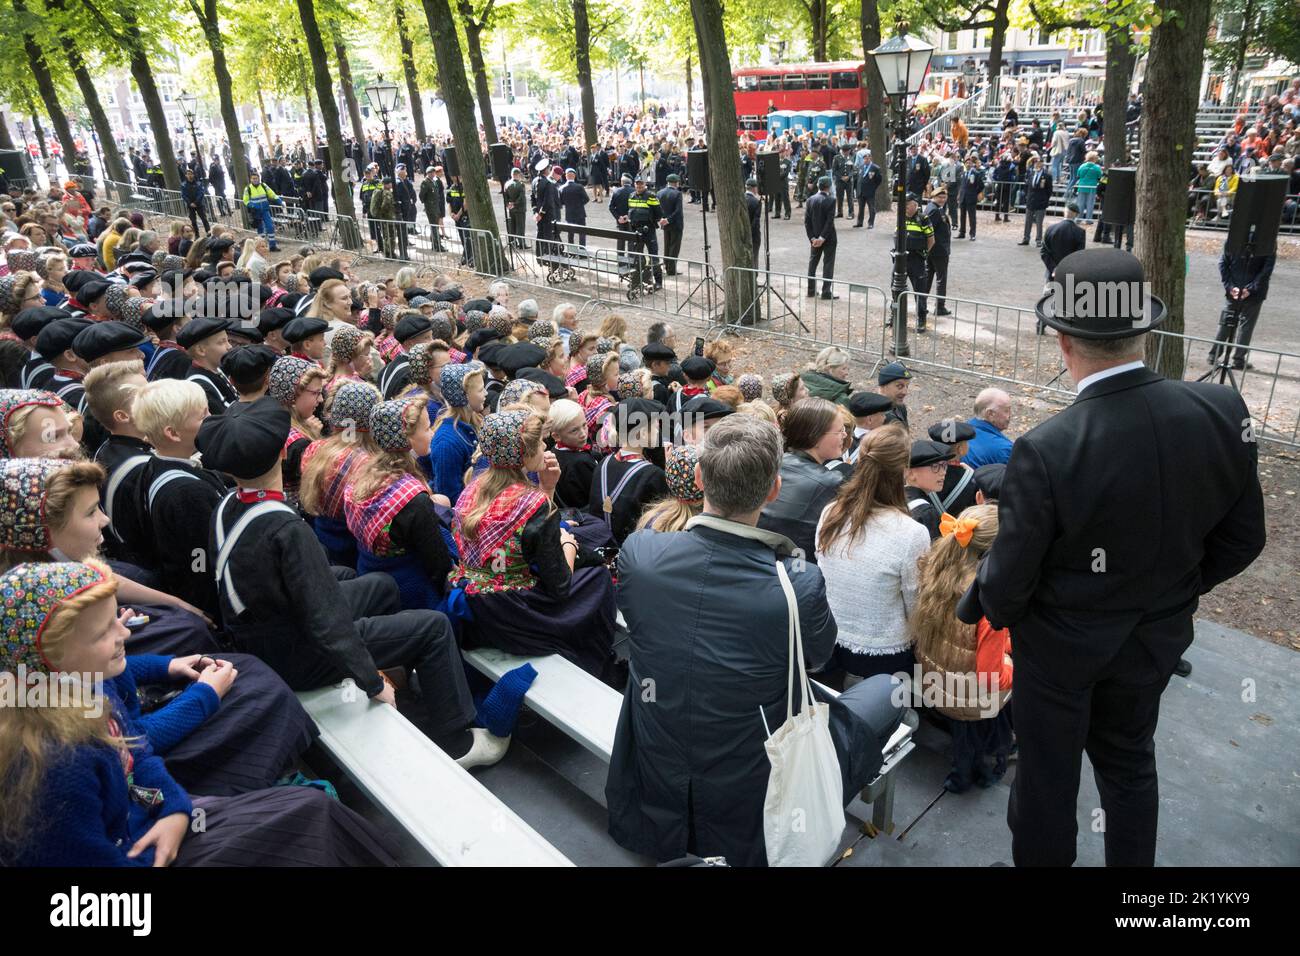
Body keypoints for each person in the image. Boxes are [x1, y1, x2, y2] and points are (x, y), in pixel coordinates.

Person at [959, 249, 1266, 867]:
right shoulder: (1222, 411)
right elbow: (1243, 539)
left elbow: (1009, 587)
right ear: (1143, 330)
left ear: (1063, 339)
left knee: (1046, 782)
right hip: (1156, 639)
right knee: (1130, 768)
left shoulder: (1047, 449)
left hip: (1060, 655)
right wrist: (1170, 590)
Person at [607, 414, 904, 866]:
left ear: (700, 478)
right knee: (890, 688)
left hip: (660, 736)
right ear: (773, 490)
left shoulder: (641, 553)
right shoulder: (798, 584)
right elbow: (817, 658)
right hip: (753, 759)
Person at [0, 558, 399, 867]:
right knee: (310, 817)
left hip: (152, 820)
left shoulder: (85, 687)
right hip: (142, 856)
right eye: (105, 630)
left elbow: (137, 754)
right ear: (52, 659)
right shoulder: (54, 767)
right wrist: (204, 698)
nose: (125, 633)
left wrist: (174, 808)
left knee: (311, 809)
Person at [196, 395, 508, 768]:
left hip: (265, 631)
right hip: (297, 652)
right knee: (434, 627)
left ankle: (409, 669)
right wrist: (370, 682)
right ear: (282, 451)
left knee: (382, 585)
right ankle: (456, 741)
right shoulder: (286, 527)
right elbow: (325, 620)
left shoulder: (227, 506)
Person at [452, 407, 618, 681]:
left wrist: (548, 488)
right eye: (540, 442)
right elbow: (560, 585)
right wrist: (568, 545)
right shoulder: (531, 502)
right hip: (514, 612)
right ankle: (597, 665)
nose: (545, 447)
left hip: (476, 604)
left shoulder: (472, 488)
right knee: (598, 576)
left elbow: (526, 540)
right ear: (524, 453)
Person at [815, 424, 931, 680]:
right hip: (884, 653)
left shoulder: (831, 512)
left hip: (829, 640)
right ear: (904, 470)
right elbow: (916, 604)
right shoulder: (912, 533)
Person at [912, 503, 1014, 793]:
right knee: (980, 741)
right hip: (974, 697)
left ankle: (958, 777)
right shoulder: (989, 603)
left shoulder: (934, 571)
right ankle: (976, 775)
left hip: (936, 680)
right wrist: (1016, 668)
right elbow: (991, 678)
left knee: (963, 737)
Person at [757, 397, 847, 560]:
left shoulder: (769, 463)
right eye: (839, 431)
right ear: (816, 437)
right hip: (798, 565)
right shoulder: (832, 482)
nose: (845, 435)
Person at [1213, 237, 1274, 371]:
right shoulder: (1268, 240)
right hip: (1252, 293)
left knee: (1226, 322)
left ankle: (1214, 354)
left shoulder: (1235, 236)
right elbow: (1266, 270)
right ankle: (1238, 359)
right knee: (1246, 326)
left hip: (1235, 289)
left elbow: (1223, 264)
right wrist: (1250, 289)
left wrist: (1230, 286)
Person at [1038, 202, 1087, 334]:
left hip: (1051, 272)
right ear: (1076, 214)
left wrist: (1054, 268)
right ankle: (1064, 330)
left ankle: (1041, 325)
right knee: (1067, 302)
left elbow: (1044, 252)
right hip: (1069, 272)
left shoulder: (1051, 228)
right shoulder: (1079, 232)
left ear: (1064, 212)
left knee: (1047, 298)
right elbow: (1078, 257)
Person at [627, 177, 666, 289]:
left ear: (645, 185)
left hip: (649, 231)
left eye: (641, 184)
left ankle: (658, 282)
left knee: (653, 256)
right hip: (636, 231)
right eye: (637, 184)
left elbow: (659, 213)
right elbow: (630, 211)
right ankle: (641, 279)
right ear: (634, 185)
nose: (639, 186)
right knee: (638, 257)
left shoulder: (651, 196)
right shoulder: (631, 196)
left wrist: (659, 220)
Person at [804, 176, 837, 299]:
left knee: (813, 263)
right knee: (828, 264)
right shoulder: (831, 200)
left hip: (814, 237)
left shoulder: (810, 200)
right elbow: (829, 222)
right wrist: (822, 238)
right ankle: (826, 292)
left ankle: (811, 290)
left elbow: (807, 222)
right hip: (828, 238)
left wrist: (813, 238)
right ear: (828, 187)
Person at [964, 387, 1014, 467]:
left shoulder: (962, 432)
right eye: (1006, 410)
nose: (1010, 414)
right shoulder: (1004, 449)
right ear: (990, 414)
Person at [924, 187, 953, 319]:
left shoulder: (935, 208)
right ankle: (939, 306)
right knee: (940, 278)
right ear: (934, 197)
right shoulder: (934, 210)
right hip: (938, 250)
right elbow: (929, 230)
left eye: (944, 197)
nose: (942, 199)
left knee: (929, 276)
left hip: (936, 249)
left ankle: (923, 303)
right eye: (939, 197)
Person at [240, 171, 280, 252]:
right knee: (260, 229)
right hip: (256, 212)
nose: (255, 180)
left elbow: (272, 194)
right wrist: (252, 206)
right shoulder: (248, 189)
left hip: (265, 210)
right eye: (253, 178)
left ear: (259, 179)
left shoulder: (263, 186)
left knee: (270, 227)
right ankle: (261, 247)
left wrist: (279, 201)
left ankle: (272, 246)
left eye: (256, 178)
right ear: (250, 179)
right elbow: (245, 200)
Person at [1020, 154, 1052, 246]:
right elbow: (1027, 186)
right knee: (1028, 221)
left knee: (1039, 222)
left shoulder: (1047, 176)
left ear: (1042, 164)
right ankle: (1026, 238)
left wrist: (1045, 199)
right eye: (1035, 163)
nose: (1037, 164)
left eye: (1039, 162)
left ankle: (1038, 240)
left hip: (1041, 202)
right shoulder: (1031, 174)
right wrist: (1027, 197)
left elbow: (1049, 190)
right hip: (1030, 201)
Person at [956, 155, 985, 241]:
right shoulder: (963, 173)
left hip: (971, 198)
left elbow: (981, 185)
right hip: (963, 197)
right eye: (967, 163)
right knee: (962, 216)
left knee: (972, 217)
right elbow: (961, 186)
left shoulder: (976, 173)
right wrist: (959, 194)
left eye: (970, 163)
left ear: (972, 164)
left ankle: (972, 234)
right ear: (964, 164)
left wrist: (975, 192)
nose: (968, 164)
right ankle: (962, 232)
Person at [558, 168, 589, 246]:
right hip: (580, 213)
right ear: (574, 176)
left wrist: (568, 204)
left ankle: (571, 249)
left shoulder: (561, 188)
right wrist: (579, 204)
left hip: (569, 213)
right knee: (582, 232)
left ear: (566, 176)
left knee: (570, 233)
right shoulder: (579, 187)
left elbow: (560, 202)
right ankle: (582, 249)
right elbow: (586, 199)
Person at [503, 167, 527, 250]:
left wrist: (508, 204)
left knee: (512, 226)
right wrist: (515, 203)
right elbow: (521, 197)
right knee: (520, 227)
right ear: (518, 174)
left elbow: (505, 196)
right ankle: (521, 243)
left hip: (511, 209)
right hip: (520, 209)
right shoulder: (521, 184)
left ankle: (513, 243)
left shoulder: (507, 184)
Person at [744, 177, 763, 269]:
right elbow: (755, 223)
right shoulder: (756, 202)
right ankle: (754, 275)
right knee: (754, 258)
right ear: (754, 188)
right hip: (753, 236)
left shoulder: (741, 199)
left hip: (742, 234)